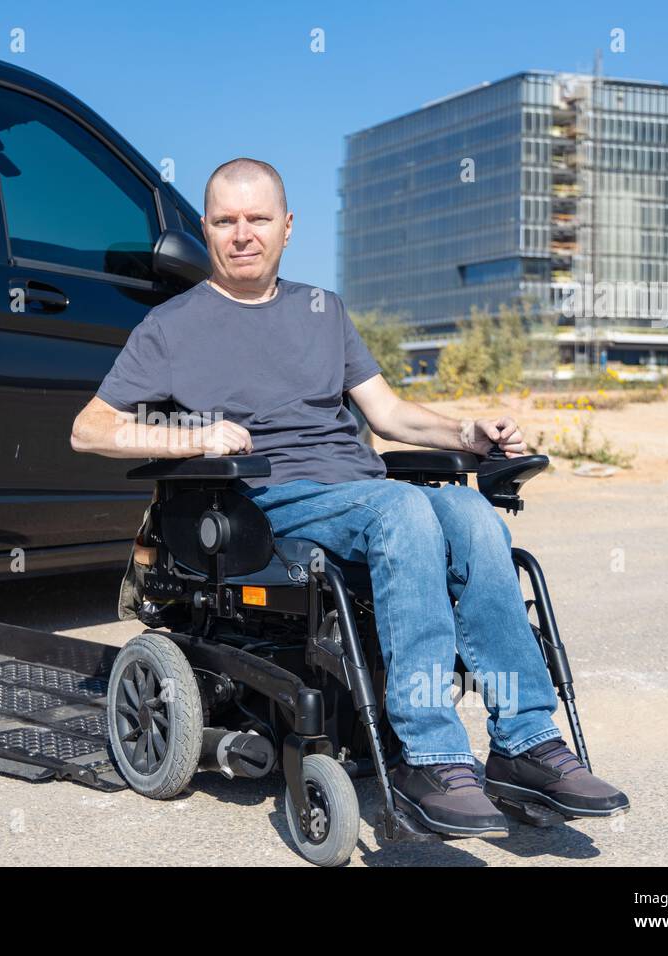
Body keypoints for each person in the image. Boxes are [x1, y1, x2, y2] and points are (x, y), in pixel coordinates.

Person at [70, 158, 628, 836]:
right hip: (266, 501)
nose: (242, 234)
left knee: (474, 514)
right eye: (225, 221)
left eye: (258, 219)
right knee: (404, 512)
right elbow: (89, 428)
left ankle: (525, 743)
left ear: (286, 227)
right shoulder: (172, 326)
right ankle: (430, 755)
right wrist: (196, 429)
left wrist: (468, 430)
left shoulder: (321, 309)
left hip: (358, 489)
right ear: (208, 229)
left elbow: (389, 414)